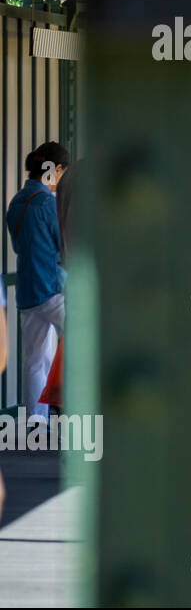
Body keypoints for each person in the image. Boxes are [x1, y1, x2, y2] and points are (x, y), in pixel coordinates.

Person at [6, 142, 69, 428]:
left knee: (34, 361)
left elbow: (21, 245)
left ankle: (36, 425)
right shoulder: (48, 203)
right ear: (54, 170)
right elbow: (65, 244)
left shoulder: (16, 203)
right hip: (55, 289)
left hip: (29, 291)